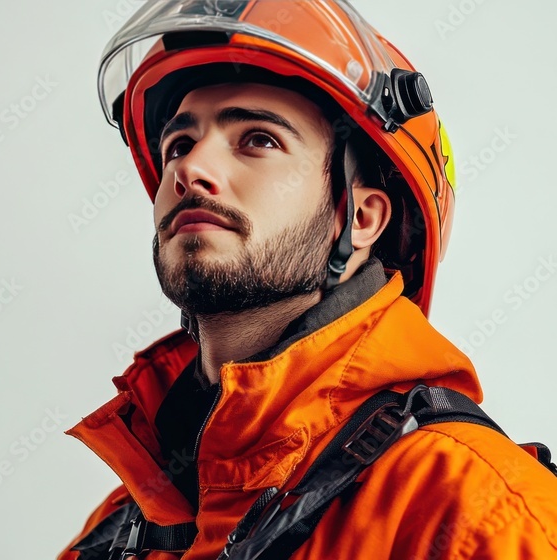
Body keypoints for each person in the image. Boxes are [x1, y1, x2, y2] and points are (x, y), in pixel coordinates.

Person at [58, 1, 557, 559]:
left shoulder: (473, 510)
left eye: (258, 140)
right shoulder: (121, 529)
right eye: (180, 144)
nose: (189, 169)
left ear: (361, 218)